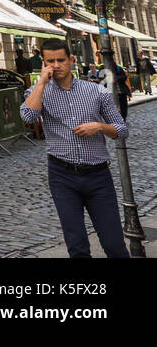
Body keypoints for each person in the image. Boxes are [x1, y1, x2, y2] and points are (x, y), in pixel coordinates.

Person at [20, 38, 129, 258]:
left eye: (61, 60)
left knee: (114, 243)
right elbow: (28, 116)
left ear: (71, 59)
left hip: (98, 175)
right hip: (62, 176)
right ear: (43, 63)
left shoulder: (95, 92)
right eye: (50, 61)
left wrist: (99, 126)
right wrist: (41, 83)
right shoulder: (37, 91)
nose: (56, 65)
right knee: (76, 245)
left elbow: (121, 129)